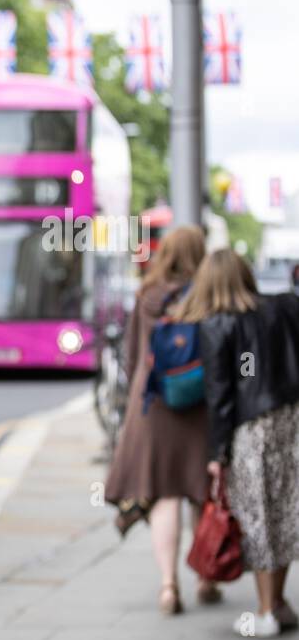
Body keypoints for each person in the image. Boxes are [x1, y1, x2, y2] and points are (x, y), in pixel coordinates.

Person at [182, 248, 299, 637]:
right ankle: (279, 603)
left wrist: (218, 452)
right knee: (284, 512)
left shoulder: (218, 325)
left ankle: (265, 611)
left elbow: (222, 394)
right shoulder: (284, 307)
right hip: (292, 419)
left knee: (258, 517)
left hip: (254, 429)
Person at [104, 224, 220, 614]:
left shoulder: (146, 296)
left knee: (164, 493)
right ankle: (206, 577)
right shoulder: (209, 295)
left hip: (153, 403)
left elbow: (133, 357)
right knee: (202, 491)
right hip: (199, 403)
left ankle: (169, 586)